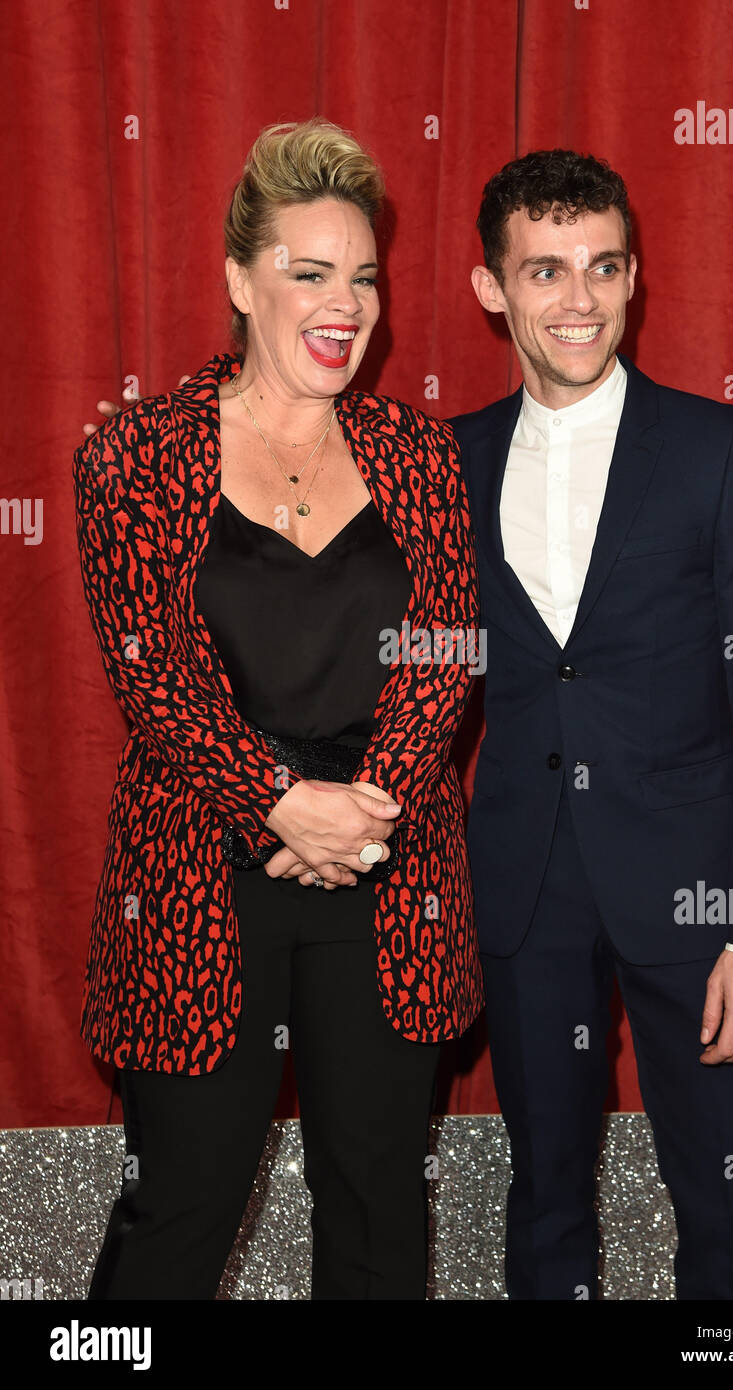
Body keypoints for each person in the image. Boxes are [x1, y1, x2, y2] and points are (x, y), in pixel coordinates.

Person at [73, 118, 482, 1301]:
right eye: (309, 272)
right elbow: (154, 680)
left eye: (360, 275)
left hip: (384, 857)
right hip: (200, 866)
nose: (342, 302)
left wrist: (359, 815)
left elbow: (441, 653)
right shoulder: (133, 456)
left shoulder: (416, 453)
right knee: (182, 1202)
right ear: (239, 279)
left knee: (375, 1199)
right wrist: (276, 807)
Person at [449, 148, 733, 1300]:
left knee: (721, 1199)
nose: (578, 298)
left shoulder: (721, 450)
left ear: (633, 274)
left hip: (701, 901)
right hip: (524, 887)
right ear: (490, 289)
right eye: (545, 270)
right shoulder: (439, 463)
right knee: (543, 1191)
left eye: (601, 267)